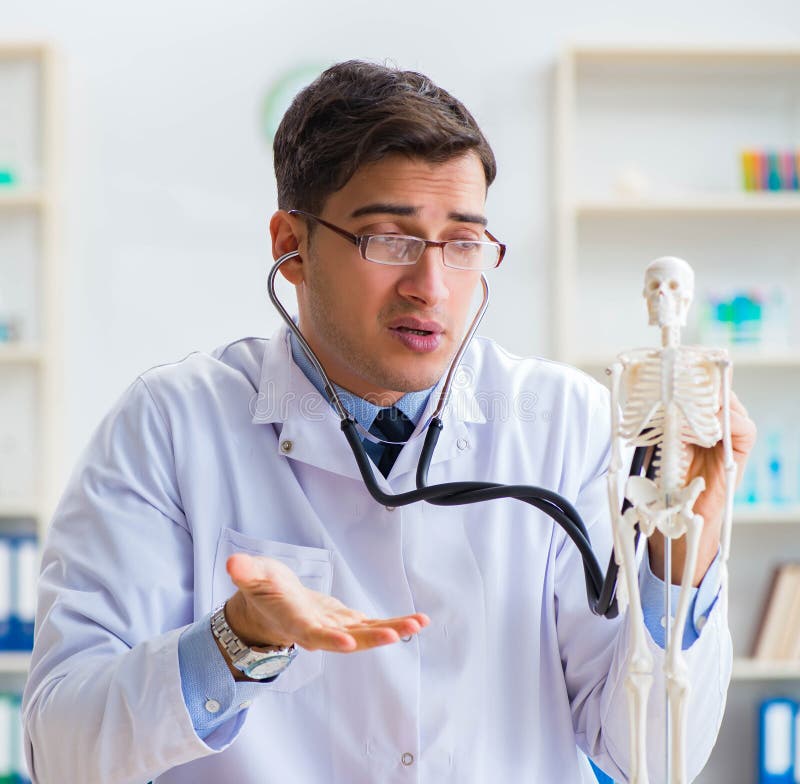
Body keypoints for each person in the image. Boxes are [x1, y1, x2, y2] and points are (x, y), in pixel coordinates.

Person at [22, 60, 756, 783]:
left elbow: (658, 758)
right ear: (291, 245)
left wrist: (680, 559)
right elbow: (62, 751)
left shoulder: (563, 423)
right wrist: (237, 641)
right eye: (390, 239)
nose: (431, 286)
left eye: (463, 244)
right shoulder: (171, 425)